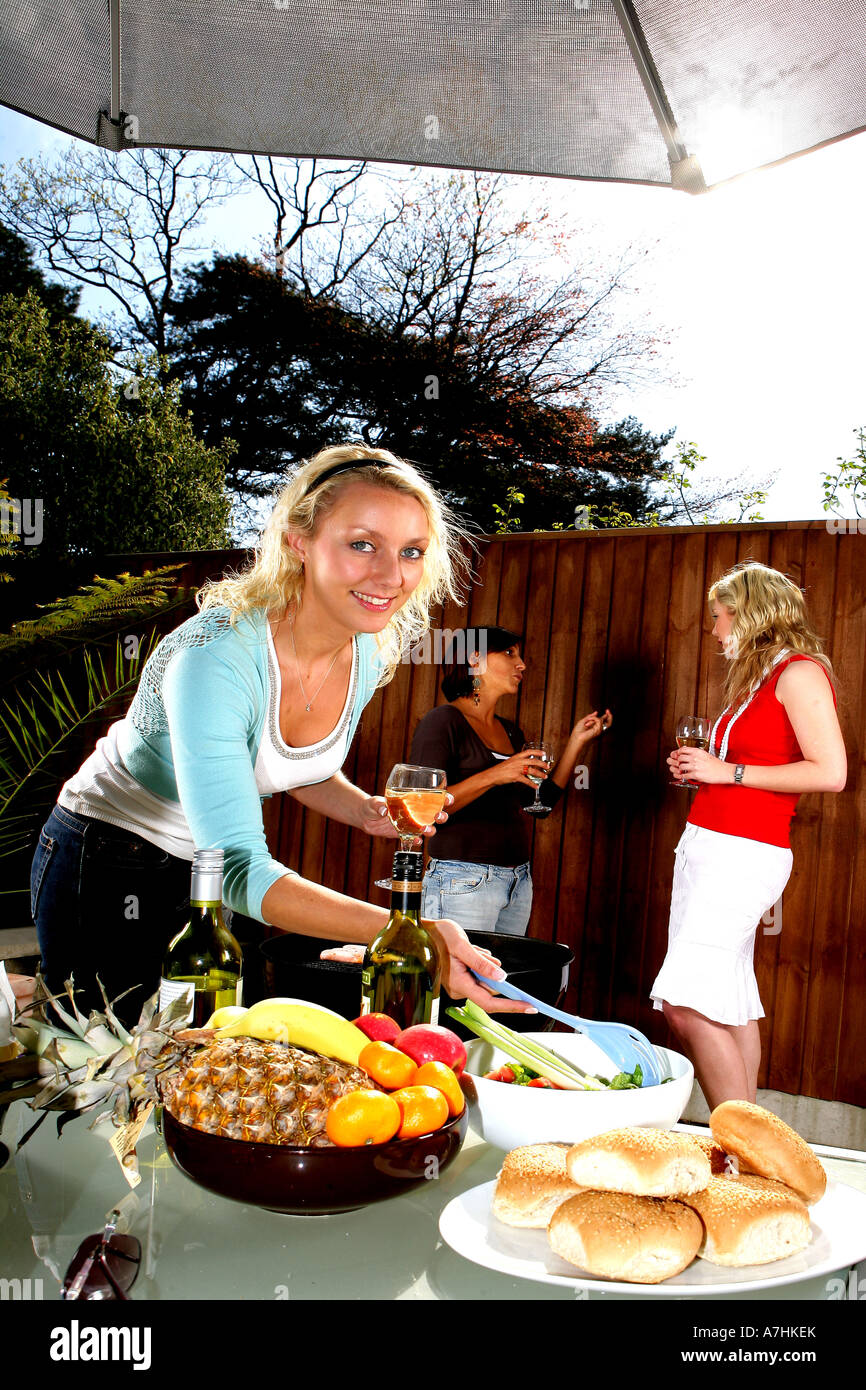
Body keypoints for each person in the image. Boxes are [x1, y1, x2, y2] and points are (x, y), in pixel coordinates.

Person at [29, 445, 531, 1025]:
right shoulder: (215, 656)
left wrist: (362, 809)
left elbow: (295, 765)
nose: (392, 576)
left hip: (214, 866)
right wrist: (409, 932)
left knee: (216, 1043)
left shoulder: (368, 645)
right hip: (112, 853)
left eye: (411, 552)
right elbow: (241, 868)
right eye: (362, 543)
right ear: (299, 539)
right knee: (111, 1056)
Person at [650, 562, 846, 1110]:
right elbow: (748, 768)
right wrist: (703, 772)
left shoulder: (799, 673)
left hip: (741, 855)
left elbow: (831, 773)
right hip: (712, 846)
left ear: (750, 613)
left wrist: (726, 773)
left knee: (684, 1004)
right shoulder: (760, 679)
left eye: (718, 617)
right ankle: (745, 1153)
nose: (713, 630)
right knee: (729, 999)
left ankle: (738, 1146)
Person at [410, 627, 612, 936]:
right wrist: (494, 776)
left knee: (493, 985)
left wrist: (576, 741)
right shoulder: (442, 721)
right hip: (461, 881)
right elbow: (422, 807)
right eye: (509, 653)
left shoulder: (510, 732)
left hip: (517, 881)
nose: (522, 664)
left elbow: (540, 805)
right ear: (475, 659)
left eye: (519, 655)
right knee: (455, 984)